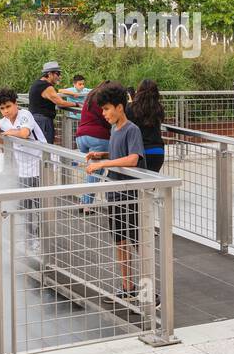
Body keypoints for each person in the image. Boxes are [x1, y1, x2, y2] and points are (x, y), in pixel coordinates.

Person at [85, 83, 149, 300]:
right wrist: (101, 156)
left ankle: (150, 289)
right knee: (120, 242)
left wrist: (104, 164)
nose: (104, 114)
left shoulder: (132, 129)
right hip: (114, 195)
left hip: (129, 195)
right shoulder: (114, 129)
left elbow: (133, 159)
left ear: (120, 107)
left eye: (106, 109)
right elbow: (116, 154)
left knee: (137, 243)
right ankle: (127, 287)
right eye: (102, 110)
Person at [0, 88, 47, 250]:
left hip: (40, 165)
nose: (6, 111)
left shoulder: (25, 115)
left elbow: (24, 132)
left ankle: (41, 239)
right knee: (26, 205)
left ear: (15, 104)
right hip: (24, 169)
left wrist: (8, 133)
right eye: (2, 108)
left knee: (39, 204)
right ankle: (30, 239)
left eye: (8, 106)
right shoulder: (5, 121)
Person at [74, 81, 114, 211]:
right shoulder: (104, 98)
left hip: (81, 136)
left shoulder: (91, 95)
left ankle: (85, 200)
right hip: (97, 137)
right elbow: (107, 118)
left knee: (94, 169)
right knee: (96, 171)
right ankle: (86, 204)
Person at [28, 61, 77, 146]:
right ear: (50, 74)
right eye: (57, 74)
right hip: (43, 121)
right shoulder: (46, 87)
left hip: (35, 118)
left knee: (38, 146)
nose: (59, 77)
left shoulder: (37, 83)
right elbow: (60, 103)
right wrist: (75, 104)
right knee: (46, 146)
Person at [129, 79, 167, 173]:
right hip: (158, 151)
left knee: (137, 183)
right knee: (150, 184)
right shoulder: (159, 108)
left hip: (140, 152)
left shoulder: (131, 108)